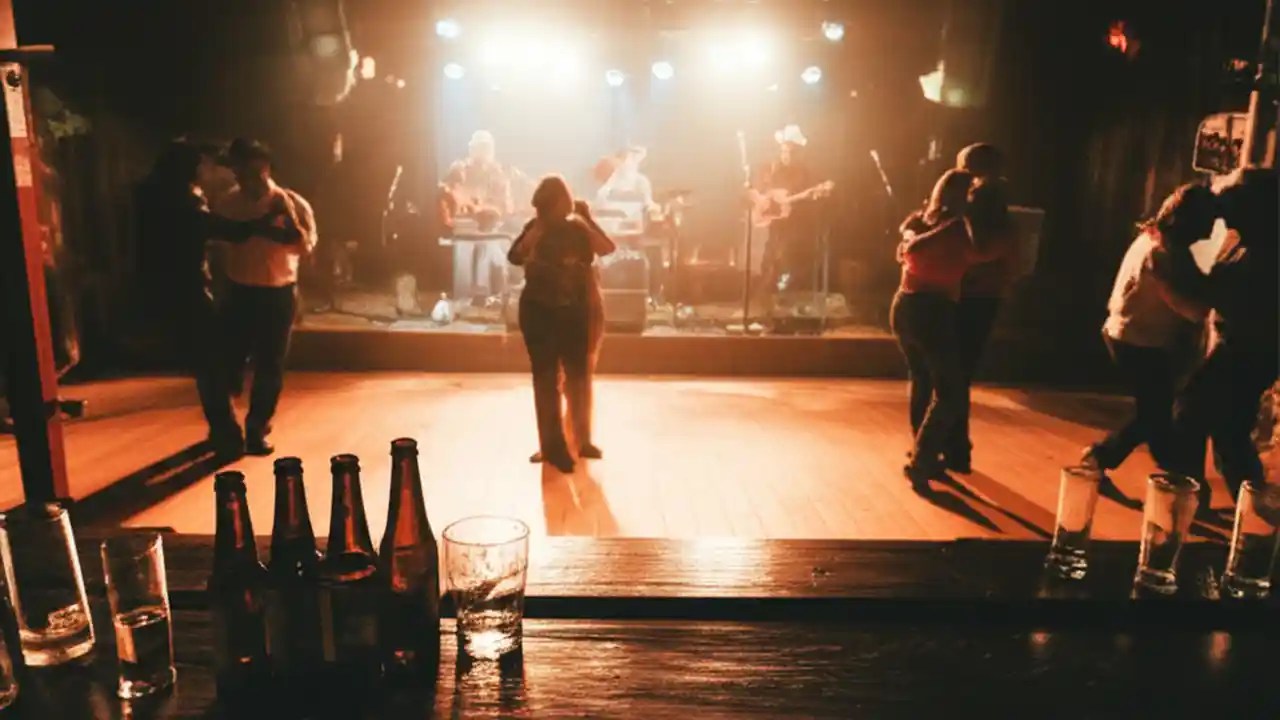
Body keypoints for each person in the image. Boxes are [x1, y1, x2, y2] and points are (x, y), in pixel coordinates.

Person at [1080, 183, 1217, 473]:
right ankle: (1107, 459)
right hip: (1136, 340)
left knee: (1155, 412)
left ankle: (1106, 459)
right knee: (1155, 413)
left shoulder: (1150, 237)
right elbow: (1190, 310)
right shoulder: (1161, 253)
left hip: (1128, 333)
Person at [1168, 168, 1279, 504]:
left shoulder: (1266, 249)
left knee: (1191, 410)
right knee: (1229, 434)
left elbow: (1212, 293)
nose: (1224, 205)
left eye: (1234, 199)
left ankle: (1190, 498)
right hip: (1250, 346)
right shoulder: (1244, 238)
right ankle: (1255, 512)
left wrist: (1176, 249)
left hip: (1252, 348)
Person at [135, 139, 246, 450]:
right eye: (203, 165)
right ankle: (227, 431)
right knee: (212, 360)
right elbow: (214, 227)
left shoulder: (151, 194)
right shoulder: (182, 199)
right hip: (190, 286)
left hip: (168, 285)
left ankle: (223, 427)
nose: (208, 171)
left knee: (207, 360)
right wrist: (259, 226)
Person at [211, 138, 317, 456]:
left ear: (266, 168)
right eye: (241, 172)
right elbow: (216, 246)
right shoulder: (227, 204)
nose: (248, 179)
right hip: (239, 291)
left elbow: (305, 246)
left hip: (278, 293)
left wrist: (285, 222)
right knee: (230, 361)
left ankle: (257, 427)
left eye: (254, 171)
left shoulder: (292, 203)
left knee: (270, 364)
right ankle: (226, 425)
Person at [893, 169, 997, 485]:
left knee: (923, 381)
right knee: (950, 392)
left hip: (906, 306)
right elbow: (979, 255)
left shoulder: (921, 220)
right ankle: (922, 460)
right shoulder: (954, 228)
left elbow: (908, 246)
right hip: (931, 310)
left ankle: (921, 452)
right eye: (973, 193)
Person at [508, 176, 615, 473]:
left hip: (574, 310)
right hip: (539, 310)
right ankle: (552, 447)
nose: (547, 213)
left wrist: (585, 221)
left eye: (550, 207)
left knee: (578, 378)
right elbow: (515, 256)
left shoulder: (578, 224)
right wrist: (537, 230)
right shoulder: (537, 227)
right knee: (545, 381)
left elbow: (606, 248)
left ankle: (582, 440)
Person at [946, 143, 1015, 474]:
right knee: (959, 372)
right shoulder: (999, 200)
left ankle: (955, 447)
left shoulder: (980, 199)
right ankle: (956, 448)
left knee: (953, 373)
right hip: (986, 293)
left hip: (970, 292)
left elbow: (980, 249)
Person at [750, 125, 825, 307]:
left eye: (790, 152)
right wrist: (762, 199)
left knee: (785, 260)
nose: (786, 155)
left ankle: (779, 299)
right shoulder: (772, 169)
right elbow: (754, 190)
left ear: (798, 153)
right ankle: (763, 299)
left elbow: (804, 200)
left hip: (794, 227)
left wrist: (808, 196)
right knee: (768, 260)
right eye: (784, 151)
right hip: (772, 226)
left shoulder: (804, 174)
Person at [444, 130, 513, 300]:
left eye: (486, 148)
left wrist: (490, 210)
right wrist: (469, 207)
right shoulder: (459, 169)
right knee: (464, 253)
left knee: (490, 252)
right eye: (479, 148)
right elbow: (447, 194)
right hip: (463, 226)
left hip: (490, 229)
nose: (482, 152)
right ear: (471, 149)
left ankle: (483, 298)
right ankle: (462, 298)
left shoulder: (498, 174)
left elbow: (506, 205)